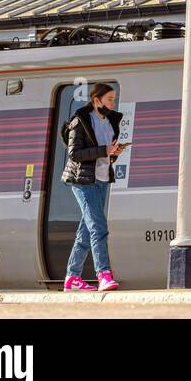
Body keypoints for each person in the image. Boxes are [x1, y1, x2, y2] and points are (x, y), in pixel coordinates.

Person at [60, 83, 127, 291]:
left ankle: (72, 277)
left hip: (102, 180)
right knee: (98, 228)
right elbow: (74, 154)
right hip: (82, 181)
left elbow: (106, 153)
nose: (112, 103)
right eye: (109, 99)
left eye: (114, 99)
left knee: (87, 231)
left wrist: (113, 153)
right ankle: (103, 275)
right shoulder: (80, 120)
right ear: (96, 100)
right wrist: (103, 150)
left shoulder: (110, 122)